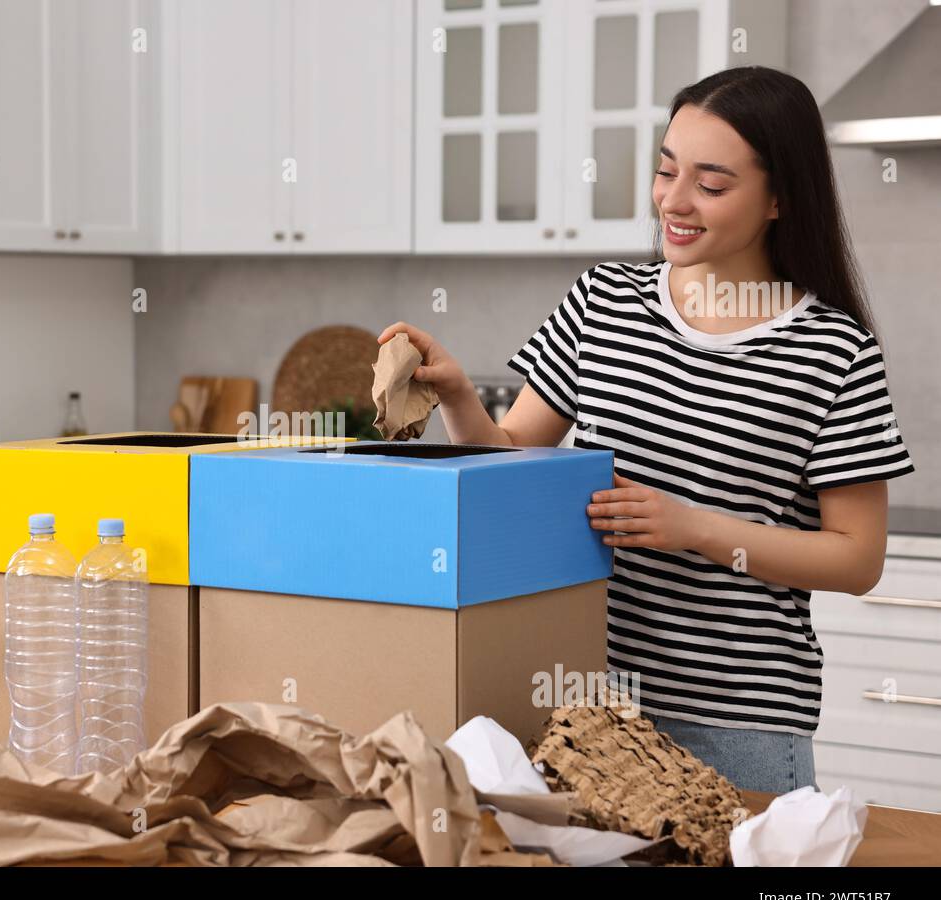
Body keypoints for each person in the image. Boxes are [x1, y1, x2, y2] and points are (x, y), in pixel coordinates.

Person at [379, 66, 914, 794]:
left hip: (740, 723)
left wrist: (692, 527)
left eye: (711, 184)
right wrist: (457, 395)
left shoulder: (834, 350)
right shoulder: (603, 300)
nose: (674, 200)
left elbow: (857, 559)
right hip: (592, 709)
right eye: (666, 171)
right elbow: (508, 462)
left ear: (780, 197)